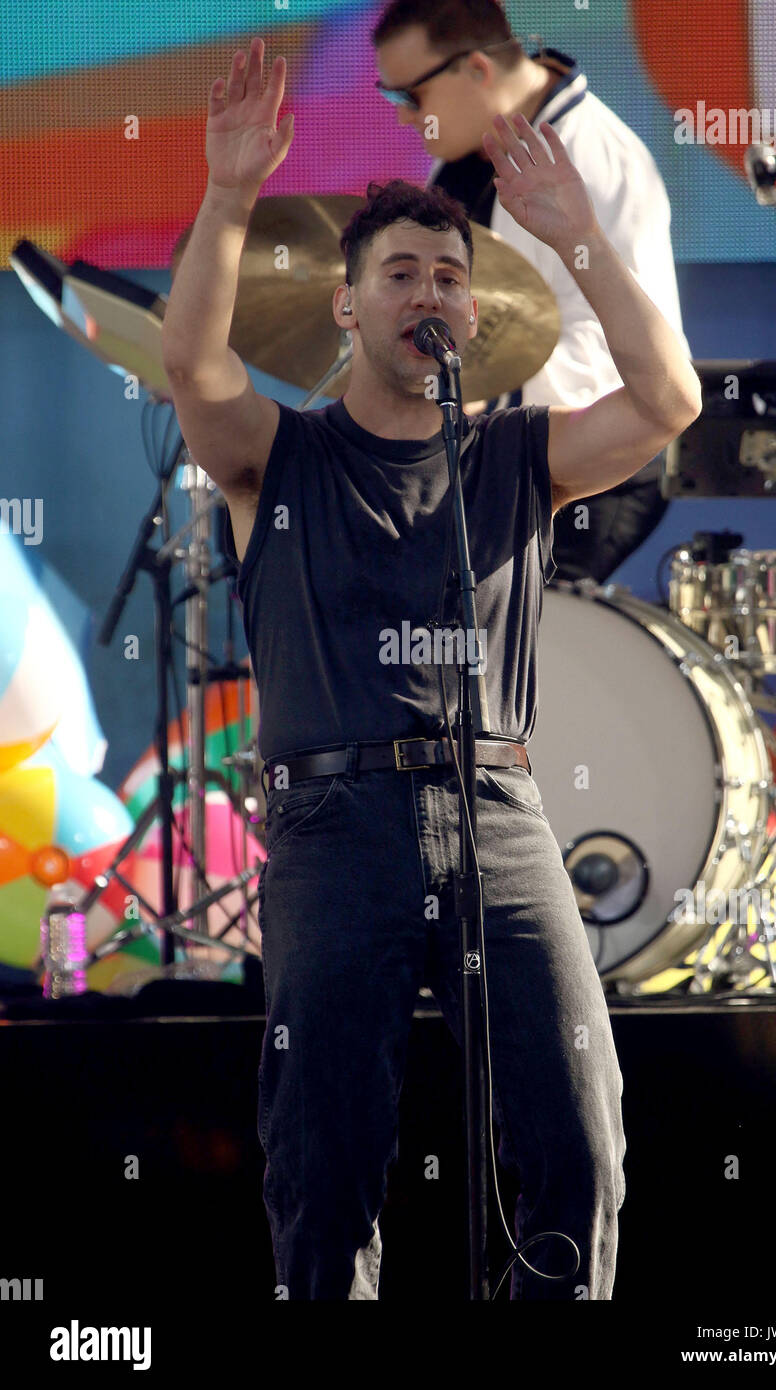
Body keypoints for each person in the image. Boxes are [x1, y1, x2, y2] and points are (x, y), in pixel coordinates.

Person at [161, 37, 700, 1299]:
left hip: (500, 812)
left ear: (474, 313)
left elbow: (668, 397)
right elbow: (191, 367)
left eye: (449, 276)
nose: (428, 290)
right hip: (333, 818)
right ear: (349, 306)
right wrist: (230, 193)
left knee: (579, 1133)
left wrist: (574, 241)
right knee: (326, 1156)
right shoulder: (279, 458)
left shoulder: (518, 451)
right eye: (398, 271)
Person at [373, 0, 691, 582]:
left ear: (476, 68)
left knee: (523, 658)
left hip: (591, 473)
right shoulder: (470, 154)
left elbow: (611, 357)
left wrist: (470, 402)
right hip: (507, 453)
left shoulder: (594, 156)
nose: (403, 119)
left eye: (409, 97)